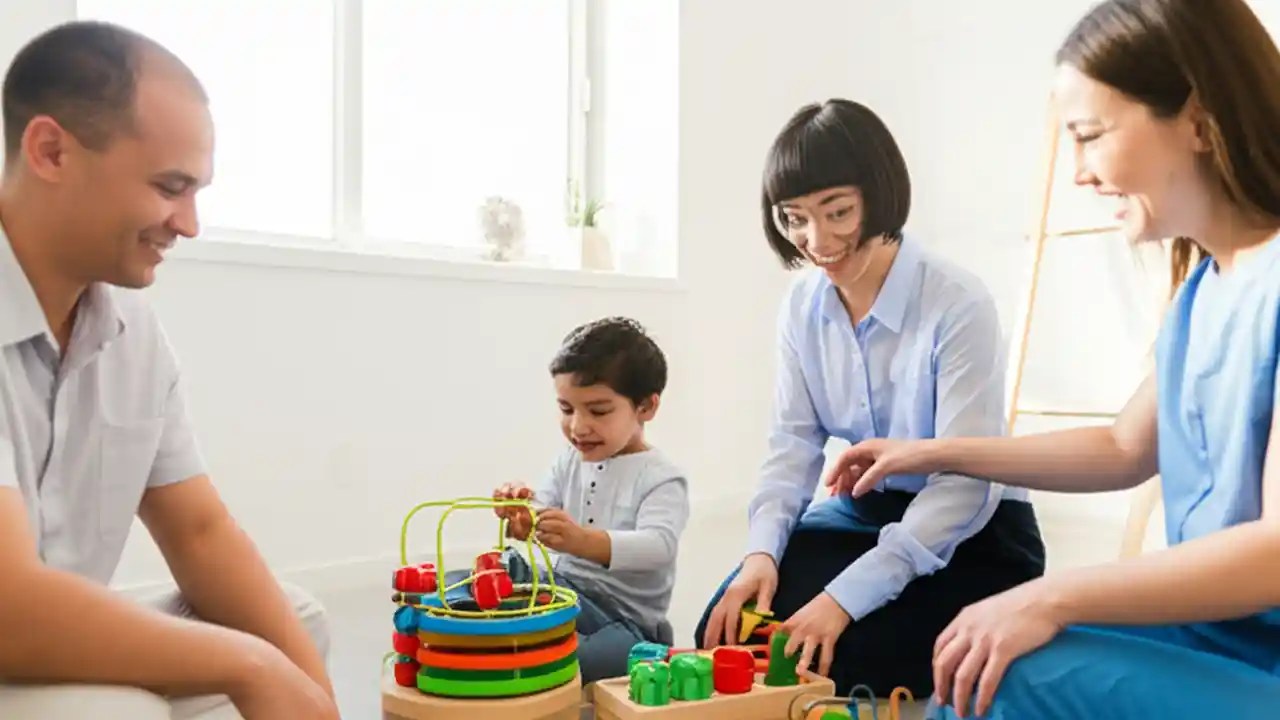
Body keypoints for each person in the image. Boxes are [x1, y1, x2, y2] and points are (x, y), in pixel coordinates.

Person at [828, 1, 1280, 717]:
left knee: (1000, 674)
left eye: (1091, 136)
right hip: (1212, 642)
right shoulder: (1204, 287)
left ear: (1199, 119)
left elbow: (1276, 552)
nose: (1079, 173)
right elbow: (1122, 447)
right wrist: (934, 452)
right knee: (977, 646)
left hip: (1260, 666)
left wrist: (1050, 592)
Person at [0, 21, 337, 720]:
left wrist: (306, 693)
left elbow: (199, 533)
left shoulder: (130, 332)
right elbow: (8, 604)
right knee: (117, 709)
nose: (188, 223)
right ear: (51, 150)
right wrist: (249, 667)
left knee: (293, 625)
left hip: (35, 639)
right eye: (169, 186)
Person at [694, 99, 1046, 698]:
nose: (816, 240)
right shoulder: (802, 309)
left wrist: (841, 601)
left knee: (830, 655)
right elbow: (791, 448)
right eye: (793, 219)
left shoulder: (957, 302)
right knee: (725, 637)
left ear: (878, 194)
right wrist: (761, 556)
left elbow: (964, 485)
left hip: (975, 530)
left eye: (837, 213)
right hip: (866, 512)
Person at [493, 317, 689, 683]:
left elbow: (658, 546)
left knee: (569, 662)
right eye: (567, 409)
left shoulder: (662, 477)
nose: (578, 427)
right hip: (565, 594)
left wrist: (582, 541)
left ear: (646, 407)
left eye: (598, 411)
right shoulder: (569, 459)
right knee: (488, 578)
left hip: (623, 621)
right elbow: (542, 509)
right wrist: (522, 514)